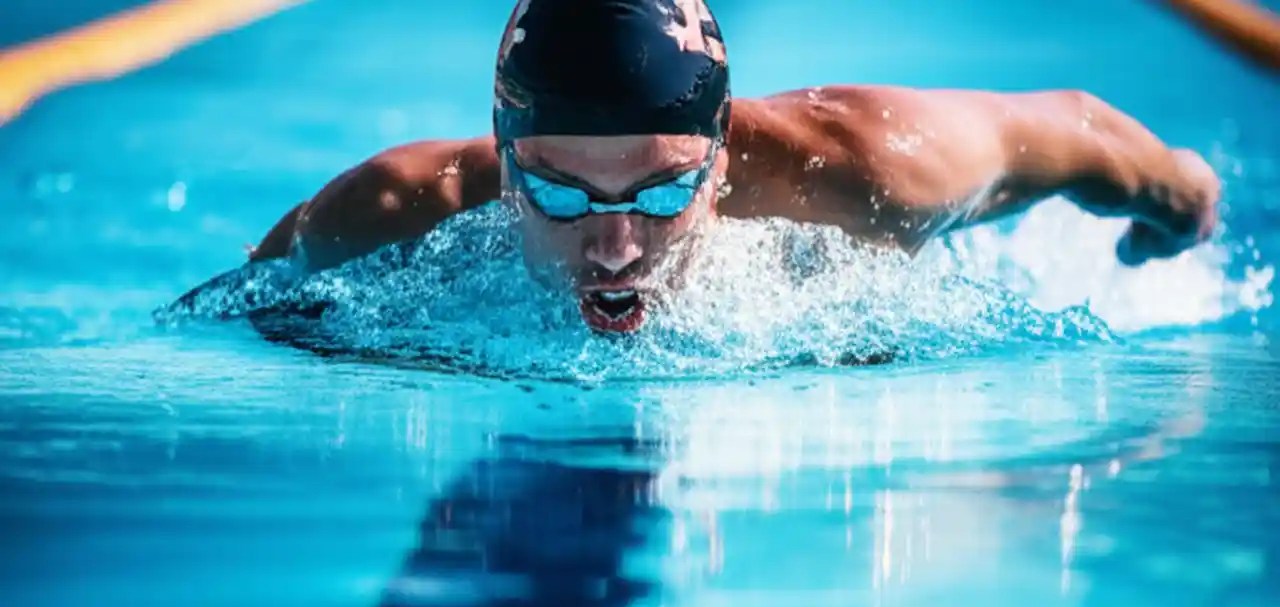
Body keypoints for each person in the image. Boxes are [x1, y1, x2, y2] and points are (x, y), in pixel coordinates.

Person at [242, 0, 1220, 334]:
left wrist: (1174, 206)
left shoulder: (869, 170)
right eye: (556, 192)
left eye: (664, 192)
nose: (615, 248)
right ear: (501, 164)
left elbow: (1084, 133)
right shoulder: (385, 214)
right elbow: (225, 313)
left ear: (720, 160)